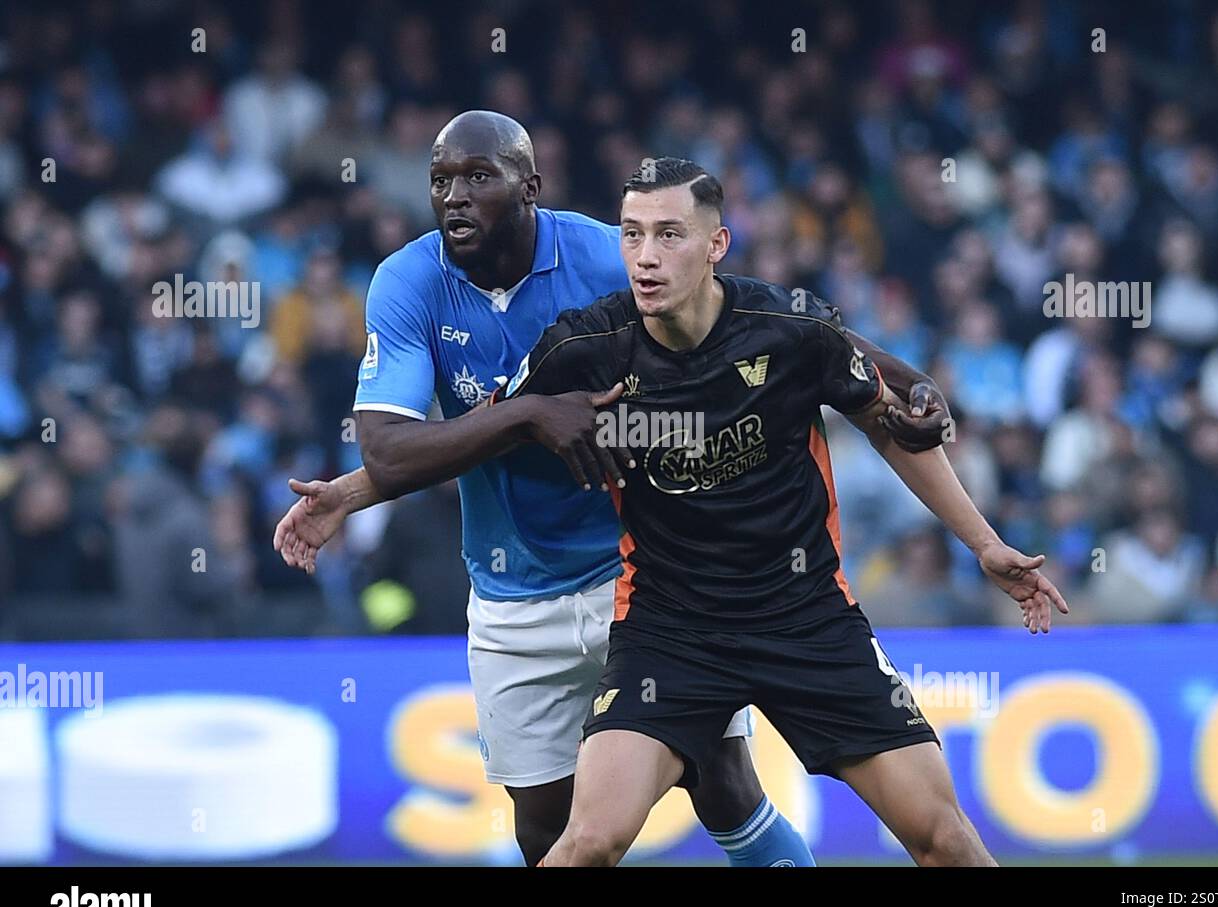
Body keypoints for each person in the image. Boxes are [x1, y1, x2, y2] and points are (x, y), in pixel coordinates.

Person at [274, 115, 952, 866]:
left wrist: (906, 381)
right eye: (441, 182)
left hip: (640, 577)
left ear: (529, 187)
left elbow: (764, 320)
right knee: (547, 831)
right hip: (510, 589)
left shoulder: (612, 254)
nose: (455, 198)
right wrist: (360, 488)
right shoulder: (409, 282)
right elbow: (395, 449)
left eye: (477, 178)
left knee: (723, 781)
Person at [476, 158, 1066, 866]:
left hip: (807, 619)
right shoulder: (585, 346)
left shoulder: (788, 329)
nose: (646, 257)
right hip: (669, 630)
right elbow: (488, 429)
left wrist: (985, 544)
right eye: (631, 236)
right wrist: (355, 491)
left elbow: (889, 427)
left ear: (717, 245)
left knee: (944, 839)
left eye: (669, 235)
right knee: (587, 844)